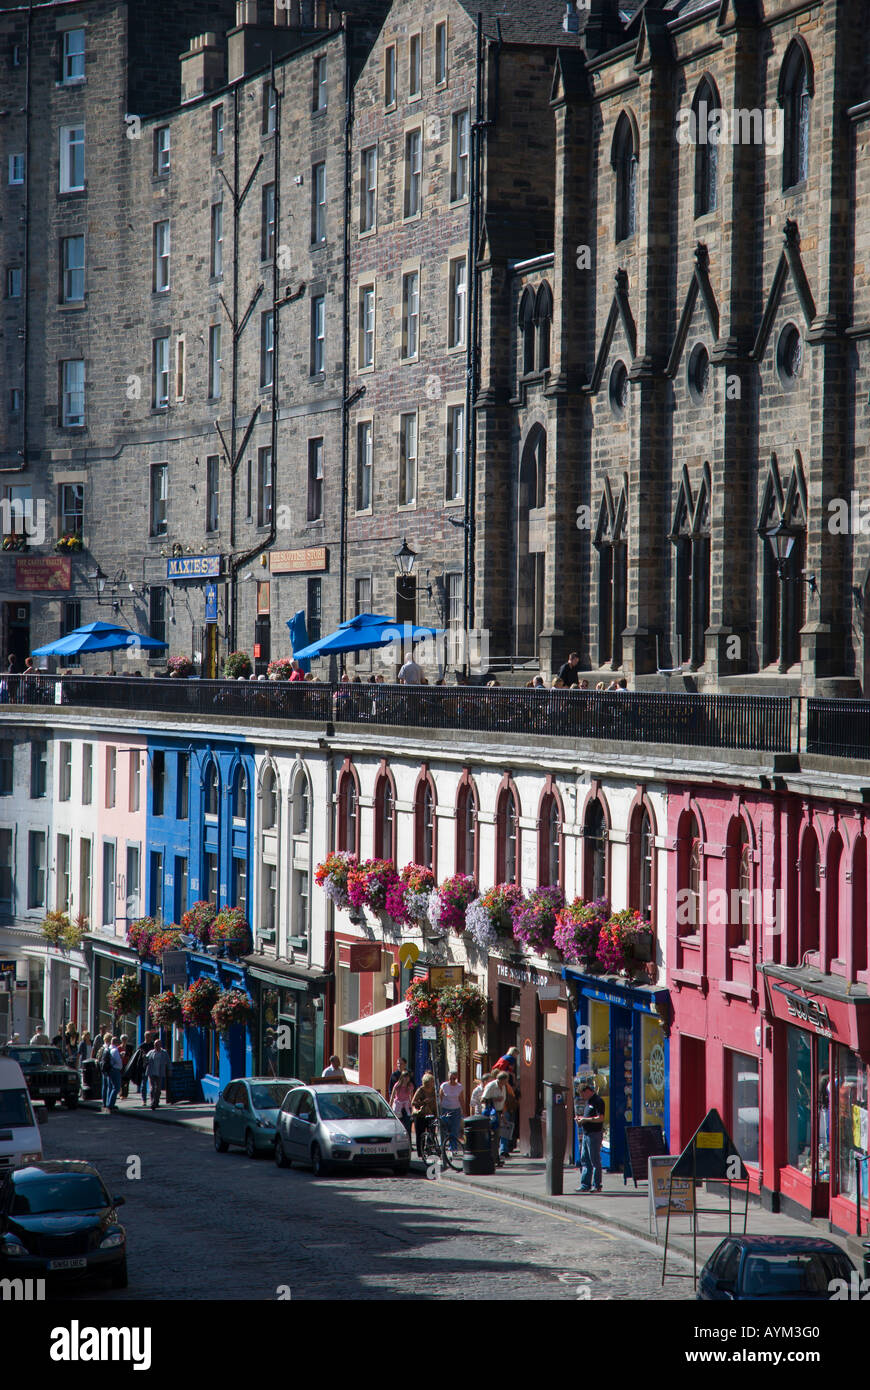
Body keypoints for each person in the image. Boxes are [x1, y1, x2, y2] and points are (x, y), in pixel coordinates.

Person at [575, 1082, 606, 1193]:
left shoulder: (598, 1101)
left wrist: (585, 1120)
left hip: (594, 1134)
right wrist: (580, 1119)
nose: (582, 1097)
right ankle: (585, 1184)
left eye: (583, 1095)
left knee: (595, 1161)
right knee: (585, 1160)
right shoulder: (588, 1101)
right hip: (586, 1134)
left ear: (587, 1091)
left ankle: (597, 1185)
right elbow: (589, 1116)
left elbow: (600, 1118)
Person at [481, 1071, 507, 1165]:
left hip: (498, 1114)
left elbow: (503, 1101)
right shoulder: (491, 1086)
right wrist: (495, 1099)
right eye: (504, 1081)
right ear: (500, 1080)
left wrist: (503, 1114)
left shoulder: (503, 1086)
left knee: (497, 1137)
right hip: (490, 1115)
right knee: (492, 1137)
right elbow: (482, 1100)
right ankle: (491, 1158)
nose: (505, 1084)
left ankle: (495, 1158)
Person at [411, 1073, 438, 1159]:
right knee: (420, 1134)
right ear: (426, 1082)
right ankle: (420, 1153)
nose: (432, 1083)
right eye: (431, 1081)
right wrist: (424, 1102)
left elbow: (436, 1103)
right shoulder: (421, 1090)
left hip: (431, 1115)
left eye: (433, 1081)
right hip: (420, 1115)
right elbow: (413, 1102)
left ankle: (429, 1150)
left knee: (431, 1133)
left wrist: (436, 1114)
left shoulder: (434, 1090)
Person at [439, 1071, 465, 1152]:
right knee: (444, 1128)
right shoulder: (444, 1086)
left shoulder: (459, 1087)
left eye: (454, 1078)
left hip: (456, 1110)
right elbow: (440, 1097)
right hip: (445, 1110)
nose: (452, 1080)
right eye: (450, 1078)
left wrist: (464, 1111)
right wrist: (439, 1111)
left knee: (455, 1129)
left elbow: (461, 1099)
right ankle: (442, 1146)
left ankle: (453, 1148)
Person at [145, 1038, 170, 1109]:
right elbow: (146, 1060)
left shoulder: (164, 1052)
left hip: (159, 1072)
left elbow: (168, 1062)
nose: (155, 1046)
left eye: (157, 1044)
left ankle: (156, 1101)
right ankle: (153, 1102)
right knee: (152, 1088)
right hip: (151, 1072)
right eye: (155, 1045)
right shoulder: (151, 1052)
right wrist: (144, 1057)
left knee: (158, 1089)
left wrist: (170, 1069)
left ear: (160, 1045)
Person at [390, 1071, 415, 1136]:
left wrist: (412, 1108)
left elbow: (411, 1097)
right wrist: (390, 1107)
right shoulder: (397, 1085)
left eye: (408, 1077)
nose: (406, 1079)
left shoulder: (410, 1085)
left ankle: (408, 1141)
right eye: (405, 1077)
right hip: (398, 1107)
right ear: (402, 1077)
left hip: (406, 1107)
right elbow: (392, 1096)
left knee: (407, 1125)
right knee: (398, 1125)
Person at [104, 1035, 124, 1113]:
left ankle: (108, 1103)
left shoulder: (108, 1049)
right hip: (115, 1070)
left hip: (109, 1070)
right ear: (116, 1043)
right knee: (116, 1088)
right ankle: (111, 1105)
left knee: (110, 1087)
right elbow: (118, 1061)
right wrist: (121, 1064)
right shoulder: (115, 1050)